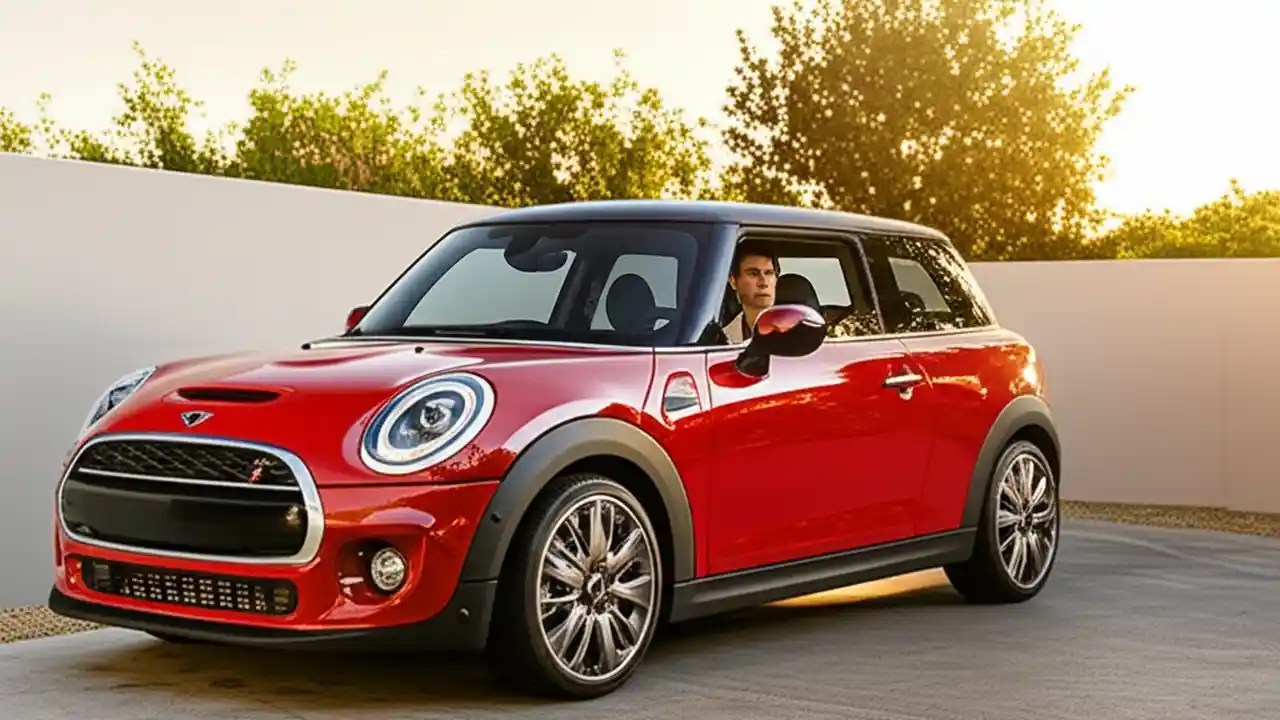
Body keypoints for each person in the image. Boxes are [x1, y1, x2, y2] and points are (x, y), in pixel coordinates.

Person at [721, 242, 778, 344]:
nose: (763, 283)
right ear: (733, 281)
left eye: (769, 273)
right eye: (753, 274)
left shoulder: (797, 331)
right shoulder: (723, 339)